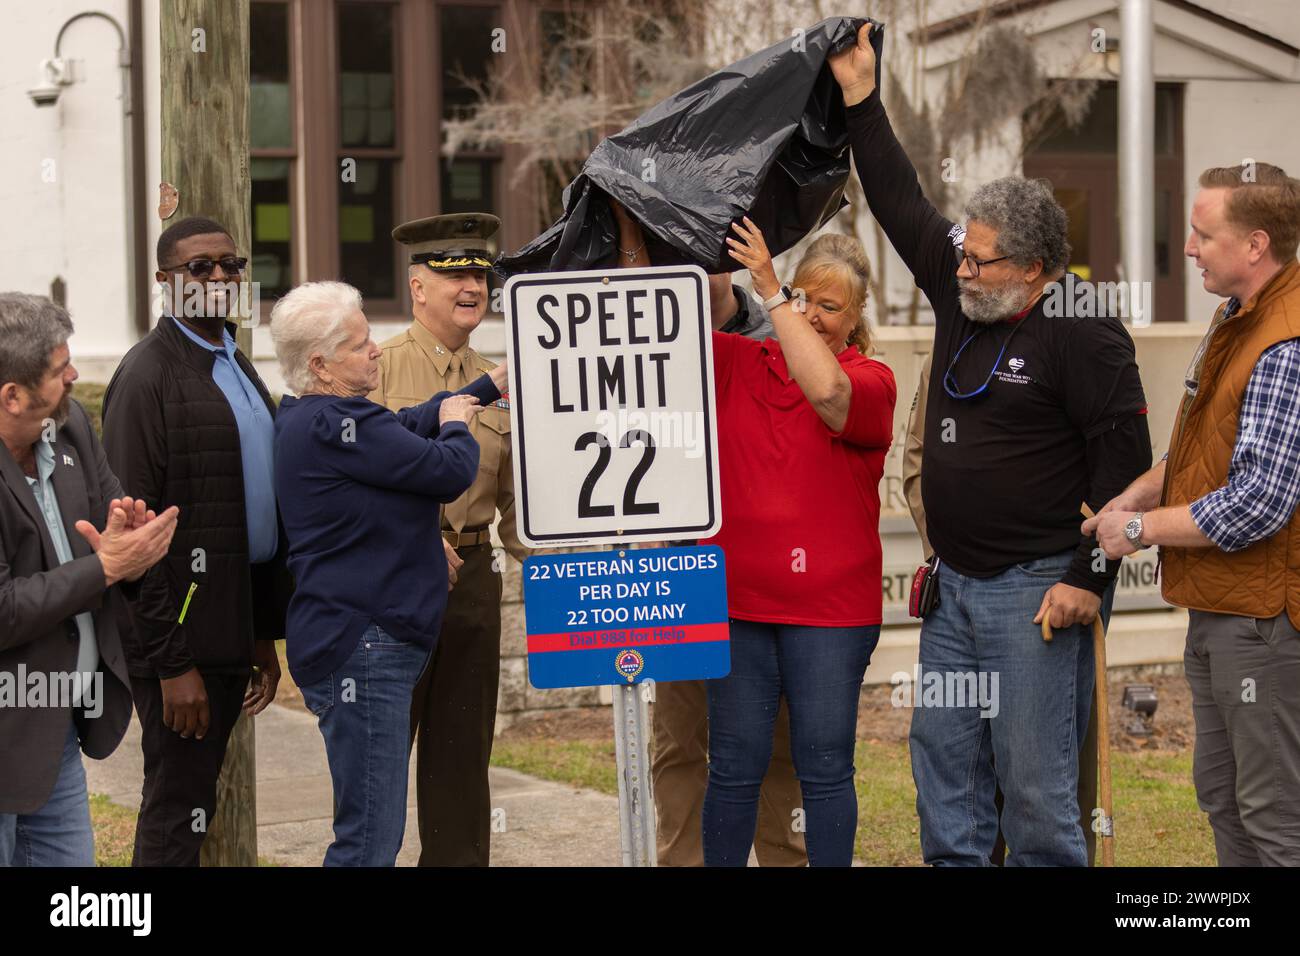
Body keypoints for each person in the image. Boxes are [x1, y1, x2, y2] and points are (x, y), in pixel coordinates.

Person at [829, 24, 1152, 865]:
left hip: (1037, 594)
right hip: (956, 590)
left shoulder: (1085, 331)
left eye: (980, 262)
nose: (960, 271)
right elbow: (900, 198)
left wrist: (1091, 577)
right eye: (962, 257)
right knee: (945, 765)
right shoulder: (959, 289)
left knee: (1037, 788)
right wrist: (862, 96)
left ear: (1036, 266)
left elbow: (1125, 468)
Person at [612, 201, 897, 866]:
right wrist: (633, 230)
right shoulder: (740, 363)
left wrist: (772, 290)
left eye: (834, 307)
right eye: (807, 300)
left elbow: (825, 391)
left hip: (827, 615)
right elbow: (650, 320)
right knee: (733, 764)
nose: (817, 316)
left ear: (856, 319)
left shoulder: (869, 381)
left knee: (823, 764)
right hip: (738, 605)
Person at [1088, 163, 1300, 866]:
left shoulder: (1285, 343)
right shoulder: (1236, 318)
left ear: (1256, 245)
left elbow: (1258, 502)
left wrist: (1138, 532)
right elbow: (1198, 454)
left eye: (1203, 234)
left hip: (1265, 622)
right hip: (1220, 608)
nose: (1188, 248)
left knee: (1272, 817)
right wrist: (1138, 495)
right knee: (1224, 795)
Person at [272, 280, 504, 866]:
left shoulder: (315, 416)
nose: (375, 349)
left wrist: (484, 387)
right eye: (358, 344)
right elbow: (448, 470)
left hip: (356, 640)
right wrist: (457, 424)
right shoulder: (339, 424)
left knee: (370, 828)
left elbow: (401, 428)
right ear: (321, 365)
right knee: (370, 839)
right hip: (364, 646)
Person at [101, 216, 290, 866]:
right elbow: (132, 536)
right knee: (175, 813)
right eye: (199, 267)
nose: (219, 277)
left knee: (196, 802)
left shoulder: (236, 362)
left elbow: (254, 509)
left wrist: (261, 631)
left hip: (232, 627)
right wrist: (171, 666)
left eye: (231, 265)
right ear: (165, 281)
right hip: (180, 641)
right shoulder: (145, 377)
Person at [367, 213, 527, 867]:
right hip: (394, 578)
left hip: (473, 574)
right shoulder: (375, 369)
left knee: (463, 759)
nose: (472, 286)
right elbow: (352, 481)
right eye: (453, 274)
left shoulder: (505, 377)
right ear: (417, 287)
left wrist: (566, 571)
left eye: (479, 274)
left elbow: (519, 505)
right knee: (377, 759)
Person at [0, 292, 177, 866]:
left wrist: (126, 540)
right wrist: (104, 567)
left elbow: (109, 513)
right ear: (12, 396)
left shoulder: (68, 423)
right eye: (59, 369)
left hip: (53, 735)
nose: (75, 374)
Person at [652, 272, 806, 867]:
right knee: (679, 738)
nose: (692, 261)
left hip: (767, 571)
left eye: (705, 248)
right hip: (677, 565)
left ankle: (785, 858)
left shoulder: (785, 325)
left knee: (776, 739)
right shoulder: (644, 333)